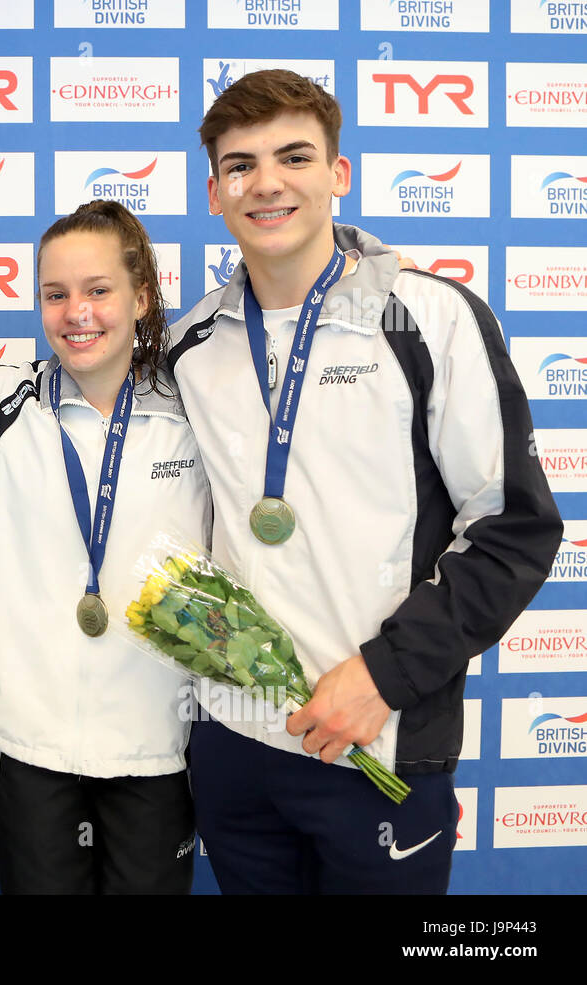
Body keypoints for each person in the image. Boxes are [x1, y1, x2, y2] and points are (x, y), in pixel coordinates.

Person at [167, 69, 562, 893]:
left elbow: (514, 526)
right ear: (214, 190)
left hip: (377, 737)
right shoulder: (191, 342)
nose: (266, 182)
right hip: (236, 745)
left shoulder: (429, 316)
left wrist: (386, 673)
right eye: (240, 164)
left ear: (338, 174)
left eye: (294, 156)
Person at [0, 201, 207, 893]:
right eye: (56, 293)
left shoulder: (197, 411)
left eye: (98, 290)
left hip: (156, 744)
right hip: (30, 742)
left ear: (141, 296)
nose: (77, 311)